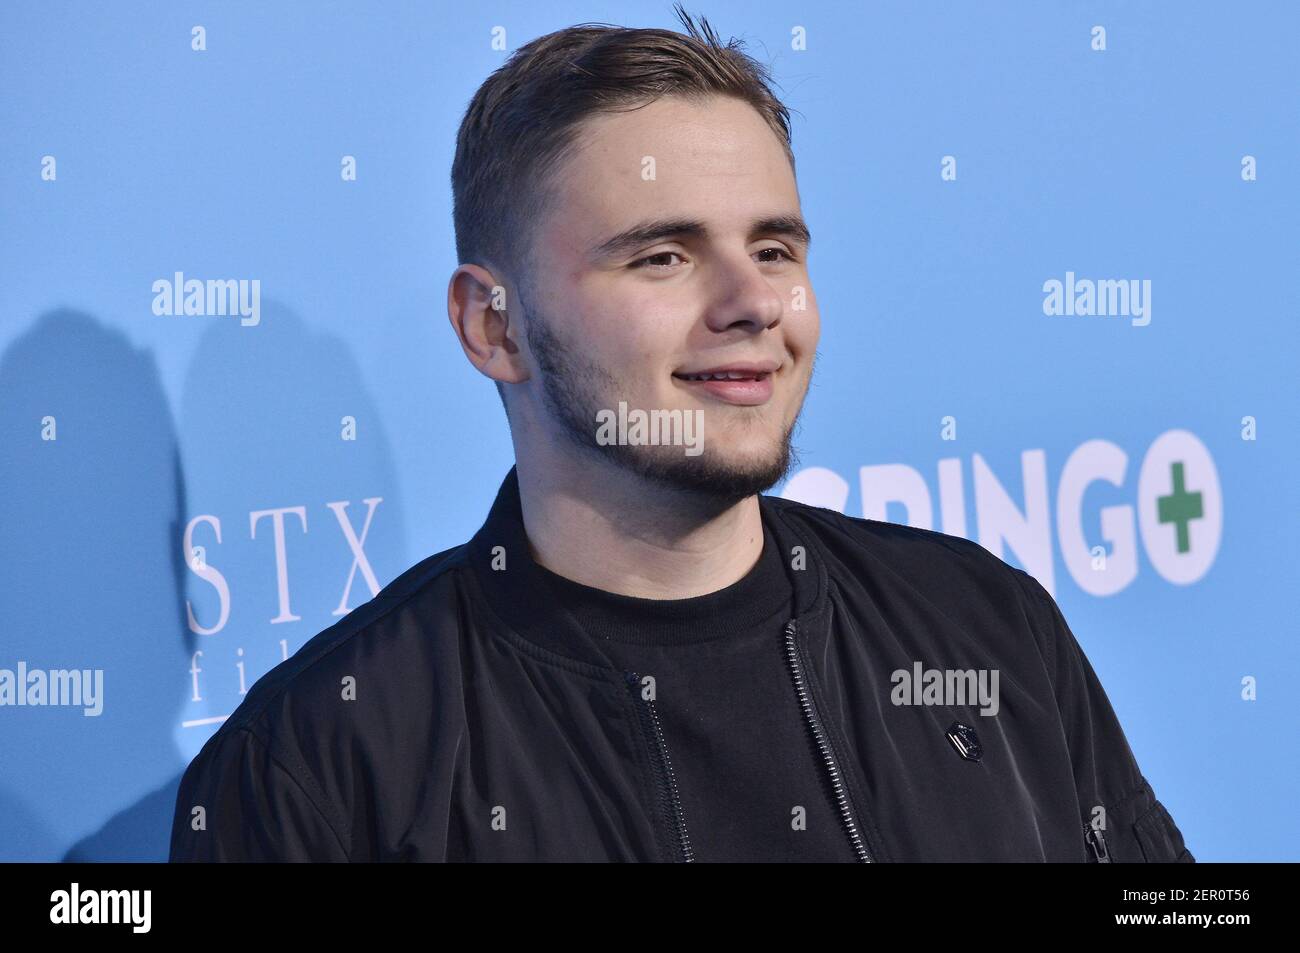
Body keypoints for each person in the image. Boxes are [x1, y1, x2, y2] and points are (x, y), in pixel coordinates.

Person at [170, 7, 1193, 862]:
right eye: (662, 256)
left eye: (775, 246)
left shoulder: (983, 625)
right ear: (496, 326)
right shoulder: (321, 763)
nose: (754, 301)